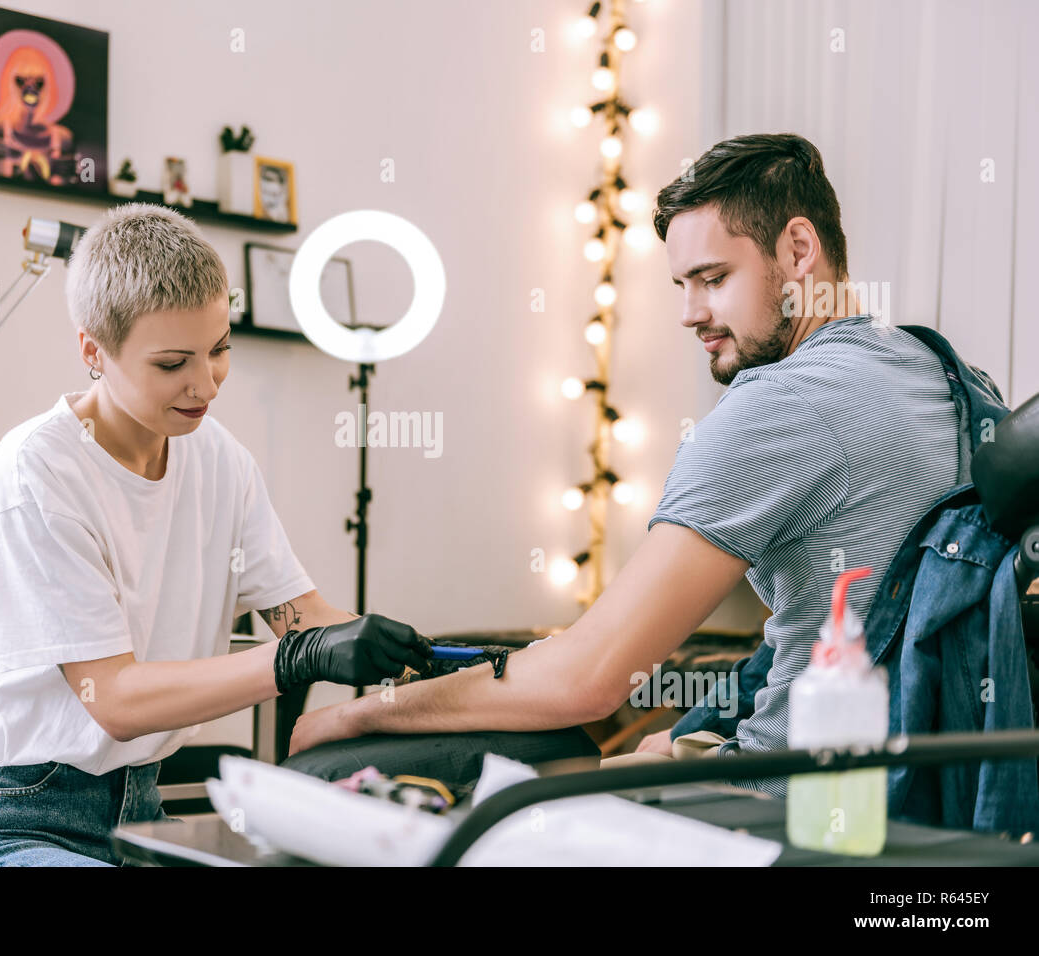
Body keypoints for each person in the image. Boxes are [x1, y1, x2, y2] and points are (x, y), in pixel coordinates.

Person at [290, 133, 977, 796]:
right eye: (683, 284)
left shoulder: (783, 403)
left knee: (373, 766)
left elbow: (587, 678)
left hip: (783, 801)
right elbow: (834, 625)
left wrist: (359, 711)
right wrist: (698, 730)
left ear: (799, 248)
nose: (689, 313)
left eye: (713, 279)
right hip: (924, 786)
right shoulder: (946, 376)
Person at [0, 204, 430, 866]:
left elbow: (301, 618)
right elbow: (116, 700)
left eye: (219, 350)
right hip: (9, 818)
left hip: (141, 807)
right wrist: (298, 659)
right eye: (172, 364)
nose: (205, 383)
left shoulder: (219, 460)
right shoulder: (36, 478)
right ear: (93, 351)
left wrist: (426, 659)